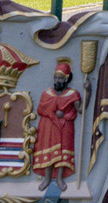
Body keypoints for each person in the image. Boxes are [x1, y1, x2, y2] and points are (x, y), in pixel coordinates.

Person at [33, 60, 82, 191]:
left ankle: (60, 178)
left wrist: (88, 91)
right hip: (49, 126)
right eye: (56, 77)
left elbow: (81, 110)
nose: (57, 80)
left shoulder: (73, 94)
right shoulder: (46, 93)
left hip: (66, 126)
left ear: (66, 78)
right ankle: (47, 178)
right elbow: (40, 110)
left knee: (62, 152)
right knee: (49, 151)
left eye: (60, 78)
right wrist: (53, 113)